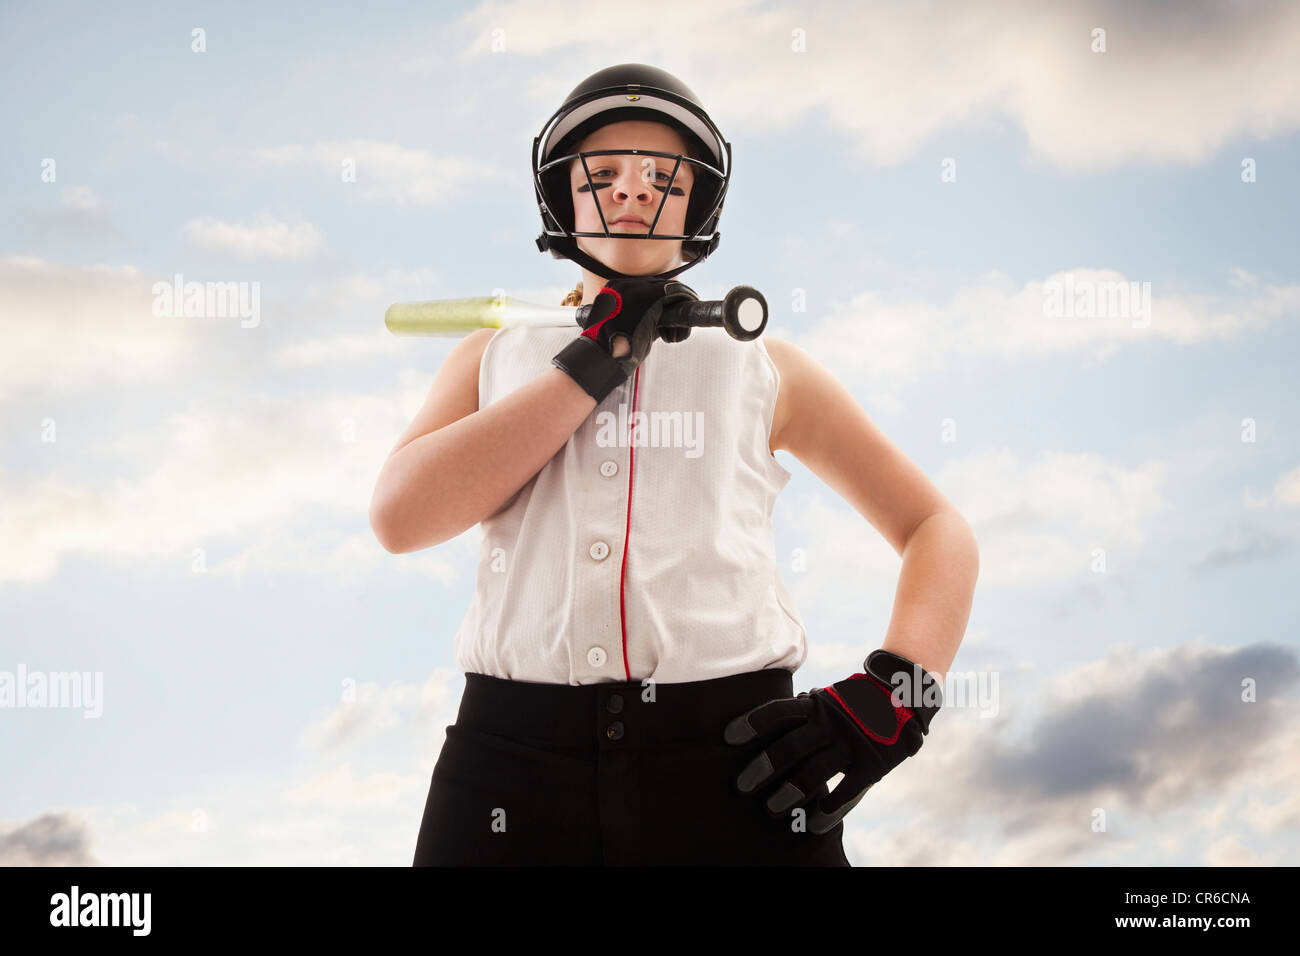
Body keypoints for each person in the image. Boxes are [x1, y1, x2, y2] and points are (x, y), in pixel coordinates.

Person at [370, 64, 979, 866]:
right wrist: (594, 362)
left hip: (739, 763)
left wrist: (895, 698)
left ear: (699, 205)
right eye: (603, 174)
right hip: (508, 767)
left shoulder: (762, 365)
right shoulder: (492, 355)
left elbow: (936, 527)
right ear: (561, 198)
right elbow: (401, 519)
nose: (632, 189)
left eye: (664, 177)